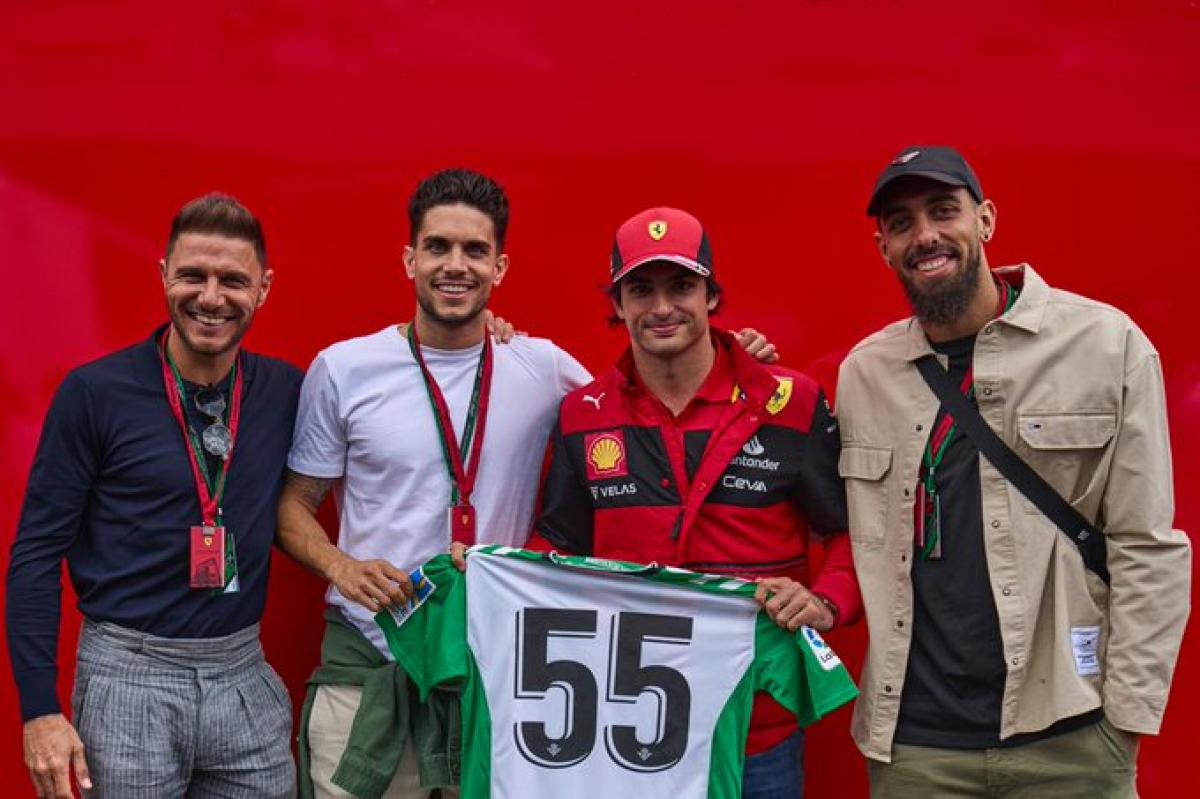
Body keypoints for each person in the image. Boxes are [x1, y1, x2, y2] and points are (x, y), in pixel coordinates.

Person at [277, 170, 779, 799]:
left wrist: (735, 361)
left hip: (503, 684)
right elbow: (295, 507)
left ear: (501, 267)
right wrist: (340, 566)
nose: (454, 265)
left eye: (475, 251)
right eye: (438, 247)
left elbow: (643, 403)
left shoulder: (541, 366)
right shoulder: (344, 369)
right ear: (410, 259)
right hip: (370, 668)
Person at [836, 145, 1192, 797]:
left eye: (944, 211)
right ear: (883, 246)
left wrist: (1125, 719)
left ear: (987, 219)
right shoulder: (863, 373)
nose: (926, 235)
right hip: (915, 750)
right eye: (902, 222)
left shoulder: (1107, 345)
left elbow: (1148, 544)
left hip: (1071, 738)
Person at [531, 206, 861, 799]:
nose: (661, 308)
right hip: (626, 725)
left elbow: (849, 533)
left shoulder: (793, 403)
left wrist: (825, 602)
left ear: (712, 295)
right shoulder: (582, 415)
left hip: (756, 725)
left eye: (681, 286)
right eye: (641, 289)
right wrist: (481, 575)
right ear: (617, 303)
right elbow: (556, 548)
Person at [7, 193, 300, 799]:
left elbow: (393, 369)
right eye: (193, 275)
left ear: (264, 288)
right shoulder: (95, 394)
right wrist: (39, 709)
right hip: (128, 682)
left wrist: (488, 333)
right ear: (164, 274)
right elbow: (35, 554)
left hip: (243, 678)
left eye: (234, 281)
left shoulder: (287, 391)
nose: (212, 297)